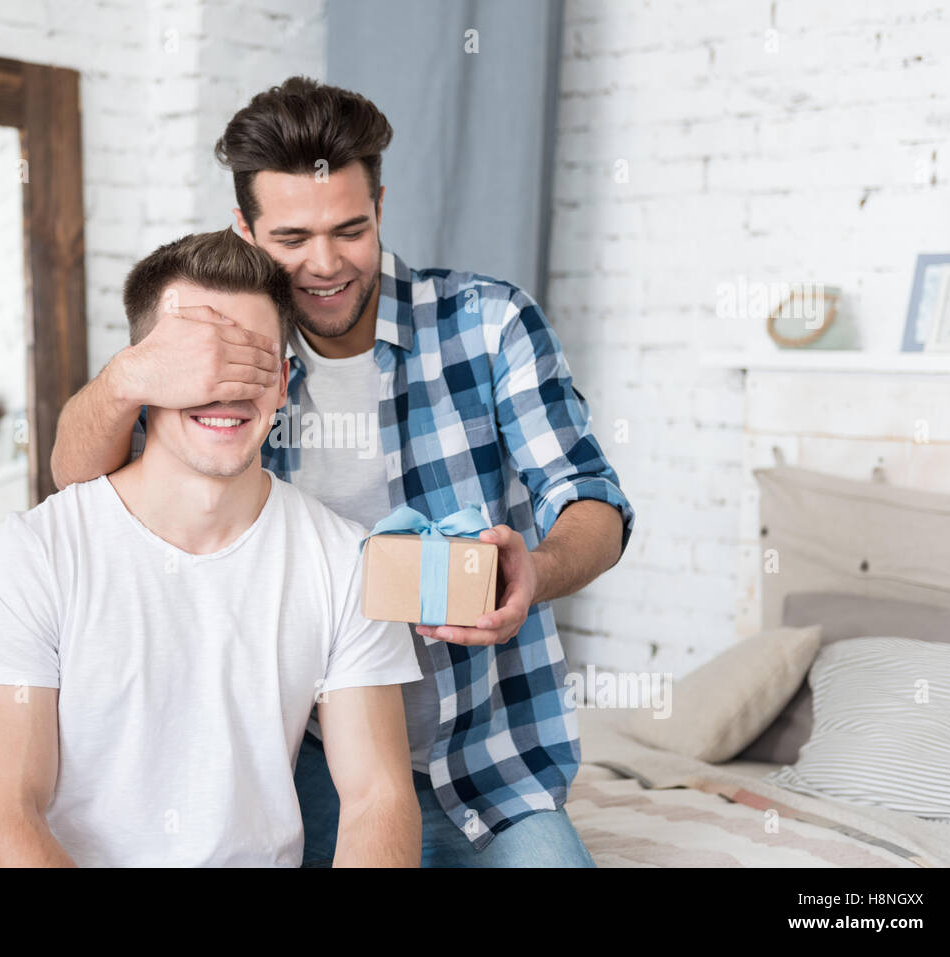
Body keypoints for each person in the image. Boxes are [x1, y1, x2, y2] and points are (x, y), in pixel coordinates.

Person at [49, 78, 636, 867]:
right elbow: (76, 479)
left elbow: (591, 498)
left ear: (382, 207)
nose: (324, 265)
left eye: (350, 229)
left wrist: (537, 568)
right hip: (305, 763)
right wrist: (128, 375)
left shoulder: (489, 324)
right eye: (291, 238)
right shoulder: (231, 362)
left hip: (488, 764)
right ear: (245, 228)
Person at [0, 229, 424, 867]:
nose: (222, 388)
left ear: (281, 383)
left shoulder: (342, 561)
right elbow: (3, 822)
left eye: (246, 362)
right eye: (196, 363)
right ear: (145, 375)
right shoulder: (30, 558)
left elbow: (377, 800)